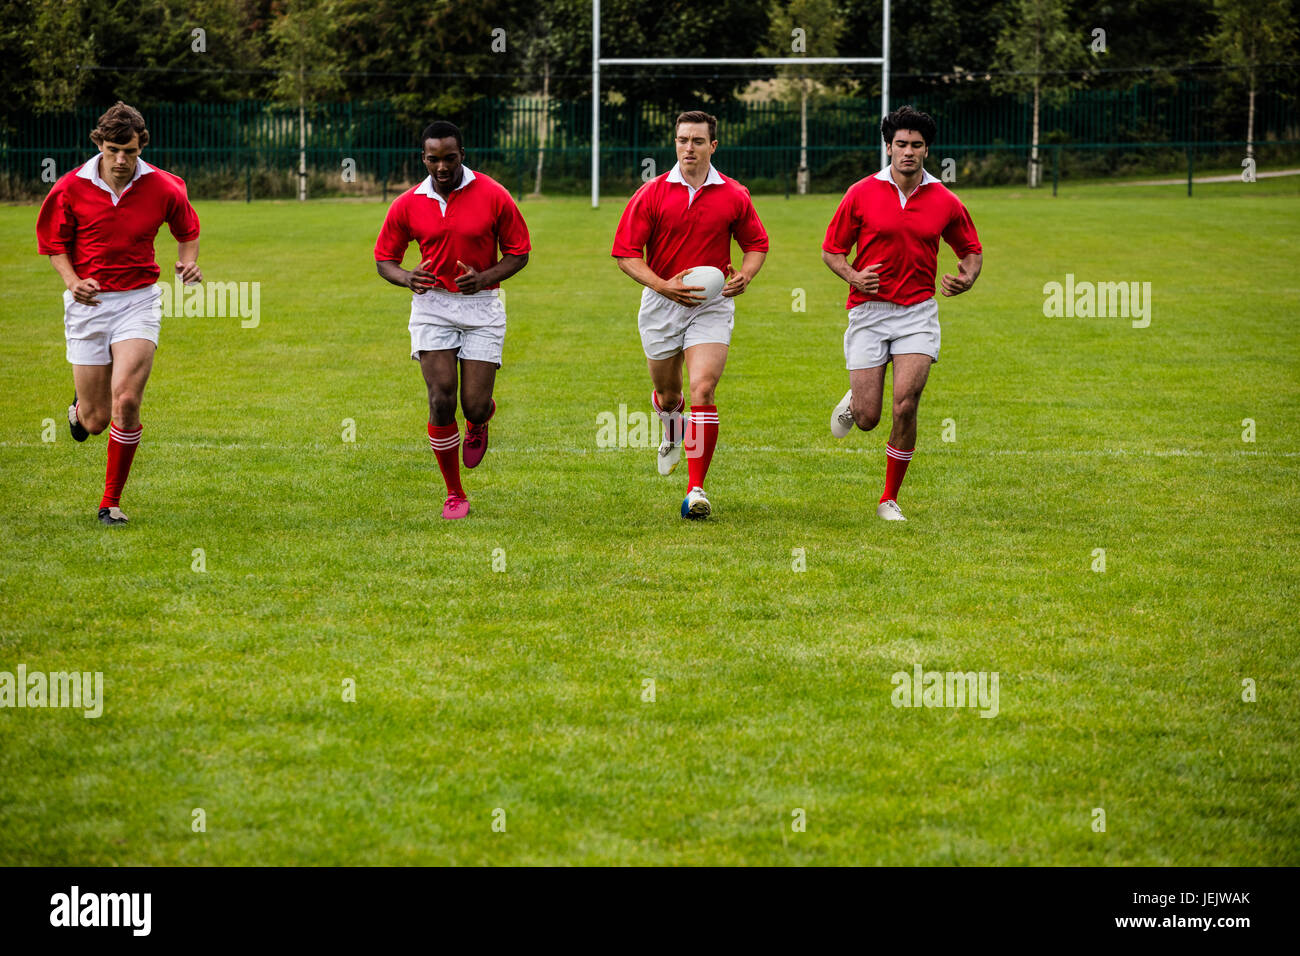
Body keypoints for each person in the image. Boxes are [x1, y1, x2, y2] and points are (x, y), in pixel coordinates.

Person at [36, 101, 202, 526]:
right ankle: (79, 410)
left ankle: (110, 502)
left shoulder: (164, 187)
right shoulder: (70, 187)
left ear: (141, 144)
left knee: (126, 399)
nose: (122, 160)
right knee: (95, 420)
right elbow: (54, 245)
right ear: (100, 145)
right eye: (113, 150)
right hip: (87, 304)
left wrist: (188, 262)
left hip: (138, 300)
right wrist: (73, 282)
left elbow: (187, 231)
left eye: (129, 150)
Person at [822, 106, 983, 521]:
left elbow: (970, 251)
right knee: (869, 417)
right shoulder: (861, 193)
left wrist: (966, 278)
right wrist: (854, 276)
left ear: (927, 149)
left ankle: (889, 498)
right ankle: (856, 401)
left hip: (917, 313)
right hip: (869, 313)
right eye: (900, 145)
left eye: (915, 145)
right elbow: (831, 251)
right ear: (888, 147)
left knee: (906, 404)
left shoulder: (945, 200)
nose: (907, 152)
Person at [612, 110, 769, 519]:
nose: (689, 148)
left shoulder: (735, 193)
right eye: (683, 140)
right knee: (670, 395)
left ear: (713, 146)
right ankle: (670, 425)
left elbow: (756, 244)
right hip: (662, 303)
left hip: (711, 306)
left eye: (698, 141)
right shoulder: (651, 193)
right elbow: (625, 255)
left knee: (703, 389)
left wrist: (745, 276)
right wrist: (662, 284)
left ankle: (696, 490)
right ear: (675, 143)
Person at [374, 120, 531, 520]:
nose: (441, 167)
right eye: (433, 159)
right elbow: (384, 260)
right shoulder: (408, 202)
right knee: (441, 395)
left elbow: (519, 252)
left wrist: (484, 278)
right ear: (423, 158)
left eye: (449, 158)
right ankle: (454, 493)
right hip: (432, 308)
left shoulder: (494, 195)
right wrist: (407, 277)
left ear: (463, 154)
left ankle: (481, 419)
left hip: (482, 307)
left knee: (473, 406)